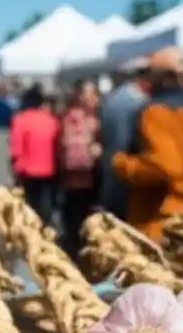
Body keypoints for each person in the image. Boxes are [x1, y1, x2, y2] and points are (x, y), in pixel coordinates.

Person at [113, 49, 183, 241]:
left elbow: (165, 165)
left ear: (165, 78)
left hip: (160, 223)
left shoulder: (154, 112)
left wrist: (122, 164)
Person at [97, 66, 151, 219]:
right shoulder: (133, 103)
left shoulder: (115, 98)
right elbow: (121, 144)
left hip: (112, 174)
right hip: (124, 181)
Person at [57, 80, 101, 256]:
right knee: (83, 214)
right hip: (88, 177)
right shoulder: (91, 120)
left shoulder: (66, 117)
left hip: (70, 178)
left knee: (72, 215)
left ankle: (73, 247)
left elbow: (60, 147)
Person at [9, 85, 59, 225]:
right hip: (50, 170)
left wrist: (15, 169)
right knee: (46, 209)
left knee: (29, 209)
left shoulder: (20, 119)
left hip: (27, 171)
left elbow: (16, 149)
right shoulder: (51, 119)